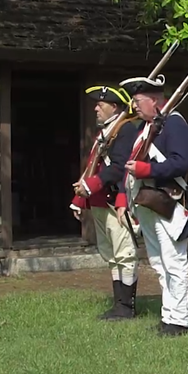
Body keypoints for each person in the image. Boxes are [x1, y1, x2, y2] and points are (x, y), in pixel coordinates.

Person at [118, 74, 188, 337]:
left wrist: (147, 169)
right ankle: (169, 315)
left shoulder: (173, 124)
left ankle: (178, 320)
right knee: (158, 262)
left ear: (155, 100)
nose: (134, 105)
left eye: (138, 100)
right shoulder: (146, 128)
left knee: (174, 262)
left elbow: (181, 162)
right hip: (149, 202)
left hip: (170, 202)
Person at [72, 85, 142, 320]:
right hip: (101, 201)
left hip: (116, 201)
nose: (95, 108)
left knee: (125, 253)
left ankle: (126, 307)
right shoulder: (106, 132)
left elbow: (120, 166)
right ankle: (118, 304)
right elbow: (92, 166)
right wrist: (79, 200)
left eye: (100, 104)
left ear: (114, 106)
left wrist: (90, 187)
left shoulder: (124, 130)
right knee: (111, 253)